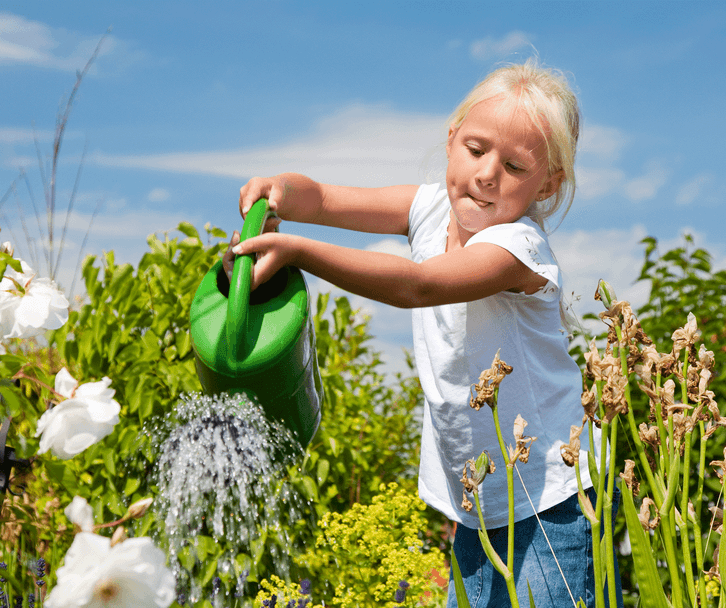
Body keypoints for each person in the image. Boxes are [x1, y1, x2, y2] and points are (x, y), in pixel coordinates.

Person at [228, 58, 604, 608]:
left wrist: (298, 251)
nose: (487, 174)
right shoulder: (427, 208)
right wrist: (279, 190)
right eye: (476, 150)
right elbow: (326, 199)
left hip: (550, 504)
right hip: (477, 508)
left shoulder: (519, 249)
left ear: (549, 183)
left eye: (515, 167)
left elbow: (421, 285)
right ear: (452, 140)